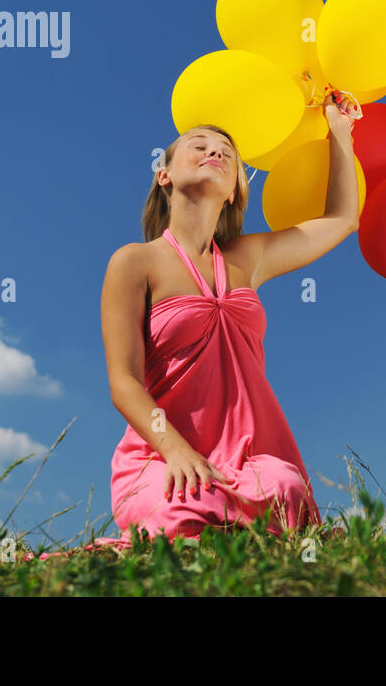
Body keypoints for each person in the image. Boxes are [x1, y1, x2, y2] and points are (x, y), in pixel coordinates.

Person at [99, 90, 360, 544]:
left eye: (228, 154)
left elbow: (342, 219)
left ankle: (230, 526)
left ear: (238, 186)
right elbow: (124, 381)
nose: (215, 151)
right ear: (163, 174)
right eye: (198, 145)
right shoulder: (134, 261)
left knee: (285, 486)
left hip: (246, 464)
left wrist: (340, 131)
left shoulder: (248, 257)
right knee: (183, 503)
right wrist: (176, 450)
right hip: (161, 457)